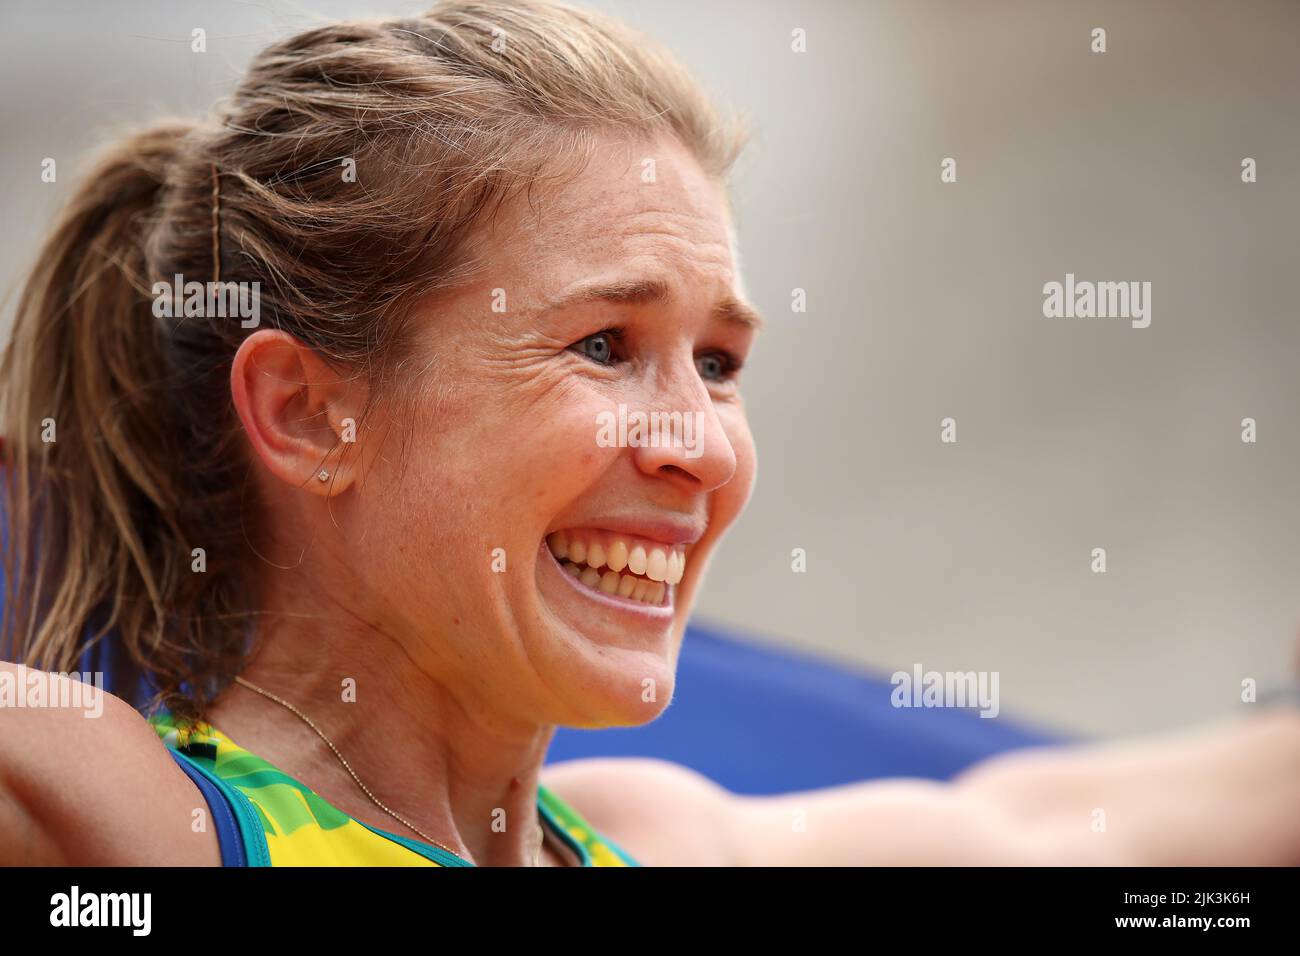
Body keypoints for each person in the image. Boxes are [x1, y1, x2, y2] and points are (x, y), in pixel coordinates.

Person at [1, 0, 1297, 867]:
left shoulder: (661, 839)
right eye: (605, 346)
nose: (700, 446)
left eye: (720, 362)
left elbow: (1060, 825)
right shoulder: (121, 817)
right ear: (305, 409)